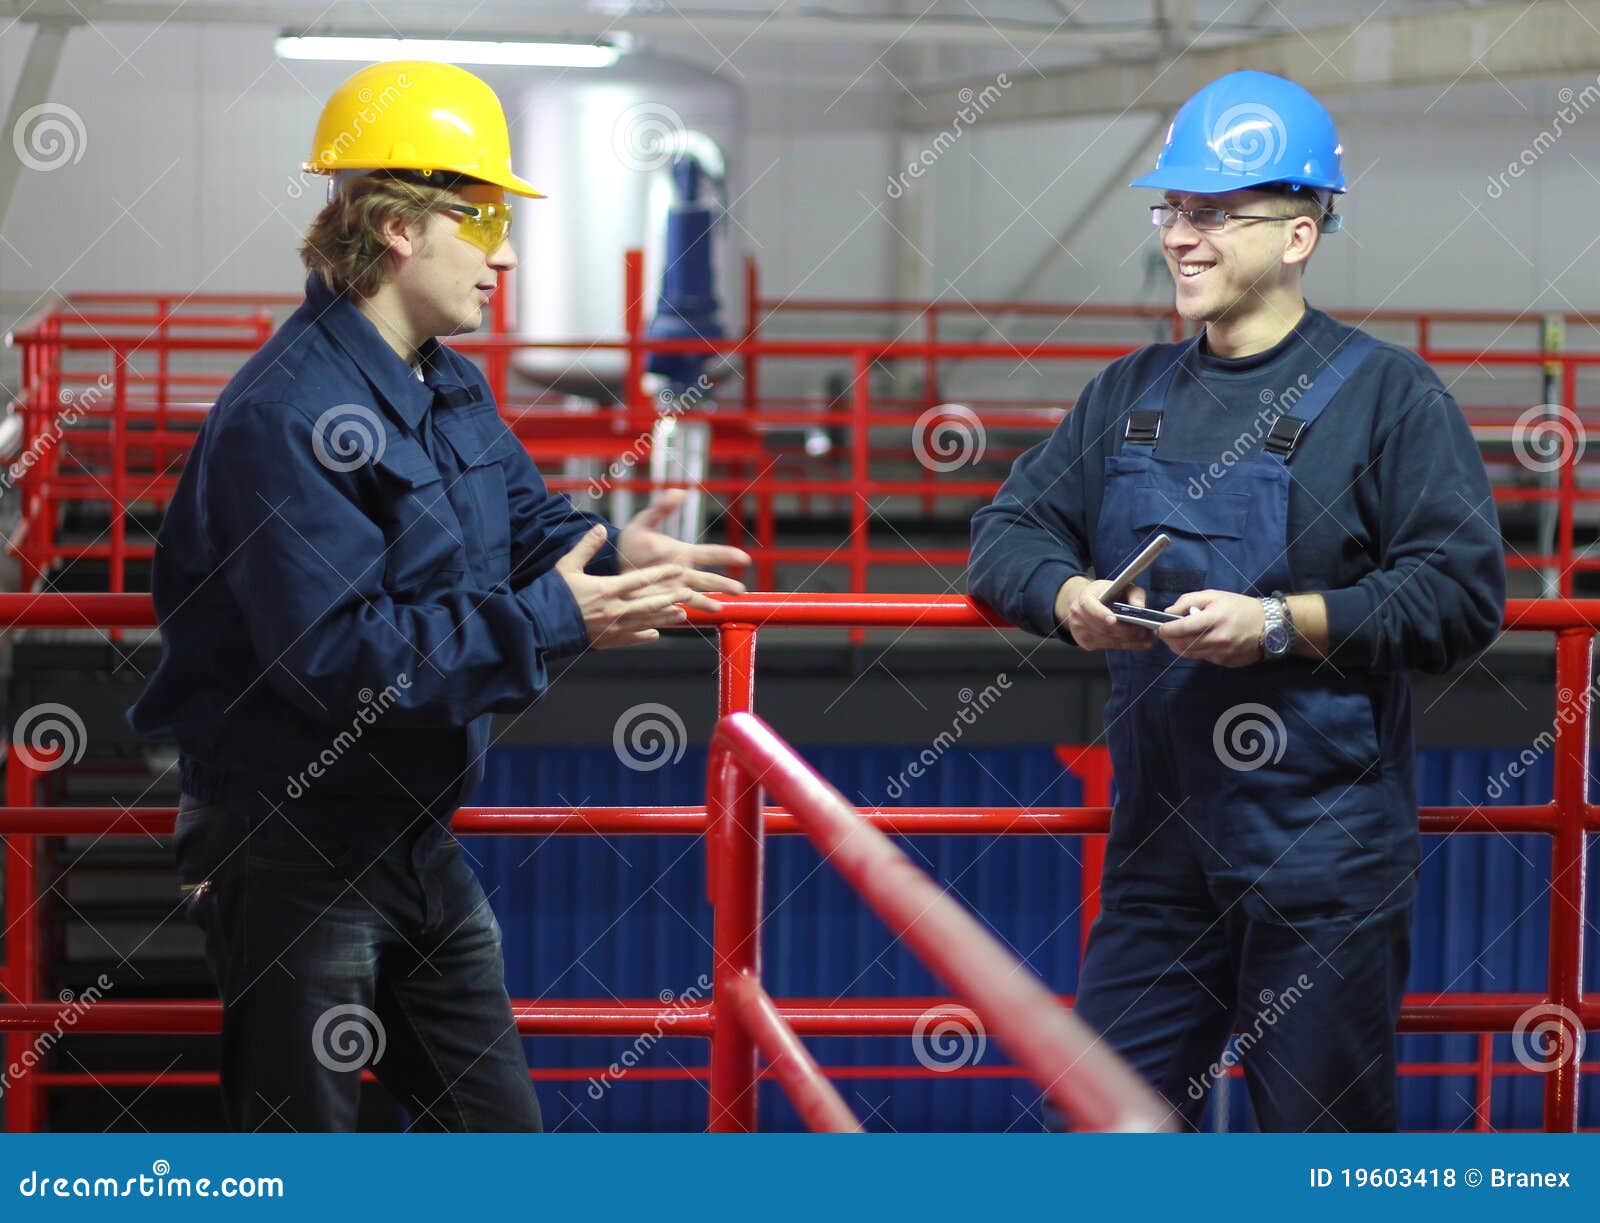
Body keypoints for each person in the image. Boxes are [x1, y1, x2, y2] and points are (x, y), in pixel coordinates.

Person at [128, 59, 749, 1132]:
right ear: (401, 225)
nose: (504, 250)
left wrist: (610, 554)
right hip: (292, 847)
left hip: (414, 839)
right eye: (486, 214)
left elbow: (525, 523)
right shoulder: (284, 417)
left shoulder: (443, 377)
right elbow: (341, 660)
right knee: (297, 1150)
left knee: (497, 1140)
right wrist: (565, 616)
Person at [967, 70, 1506, 1131]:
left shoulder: (1389, 398)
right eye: (1172, 209)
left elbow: (1458, 591)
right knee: (1102, 1125)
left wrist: (1276, 624)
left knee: (1317, 1152)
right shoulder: (1127, 396)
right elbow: (1005, 533)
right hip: (1159, 859)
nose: (1180, 236)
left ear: (1298, 234)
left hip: (1322, 870)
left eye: (1215, 214)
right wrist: (1067, 594)